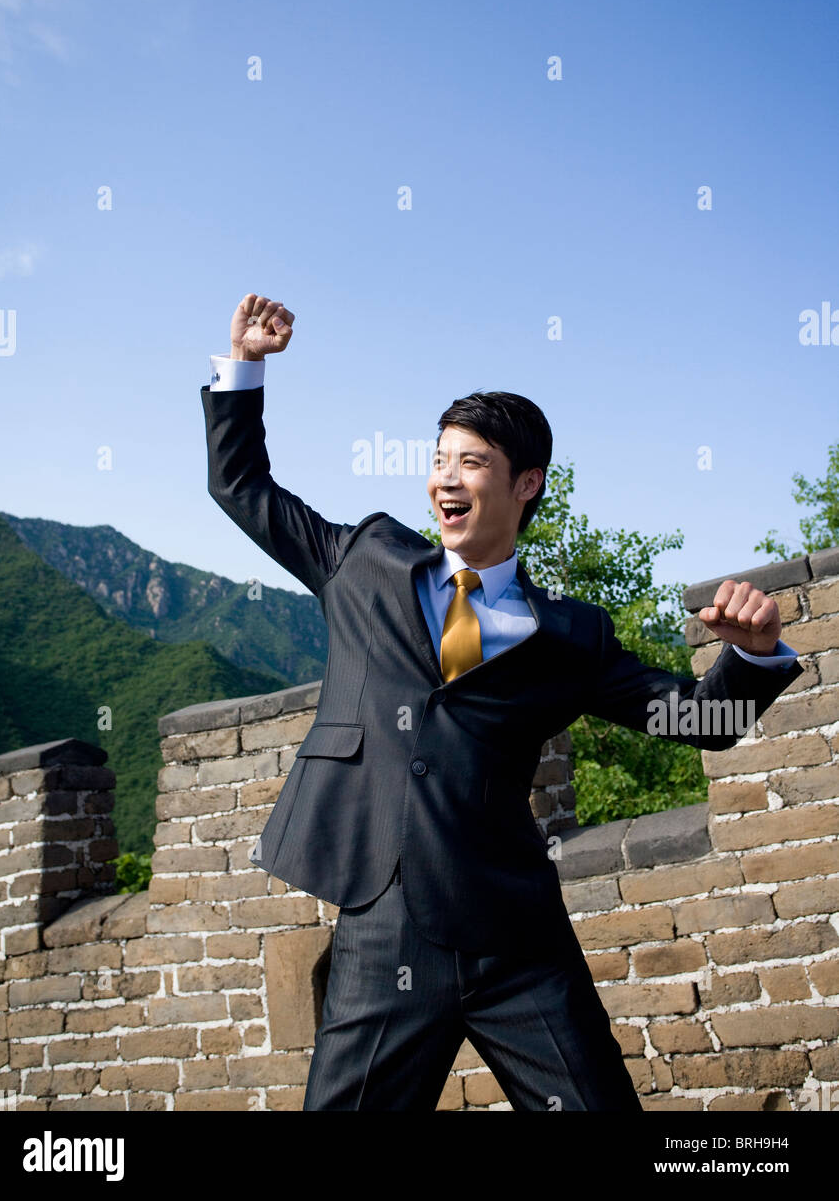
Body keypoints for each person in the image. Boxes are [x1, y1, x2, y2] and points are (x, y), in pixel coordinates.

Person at [202, 292, 802, 1112]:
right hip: (385, 932)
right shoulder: (365, 559)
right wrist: (246, 365)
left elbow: (696, 720)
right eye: (440, 458)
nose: (446, 478)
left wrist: (752, 656)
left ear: (526, 483)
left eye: (472, 462)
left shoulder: (570, 636)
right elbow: (242, 487)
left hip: (517, 939)